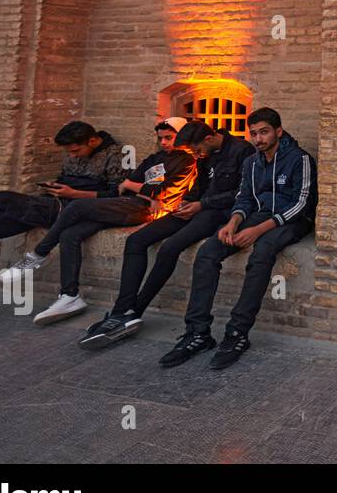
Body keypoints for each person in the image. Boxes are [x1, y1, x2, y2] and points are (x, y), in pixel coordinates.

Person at [0, 121, 125, 335]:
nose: (73, 156)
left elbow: (117, 196)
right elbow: (66, 179)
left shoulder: (115, 155)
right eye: (69, 152)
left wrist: (73, 194)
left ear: (93, 140)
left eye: (76, 150)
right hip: (50, 204)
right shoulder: (75, 154)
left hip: (69, 209)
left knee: (2, 198)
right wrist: (55, 186)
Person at [160, 107, 316, 370]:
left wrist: (257, 230)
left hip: (290, 220)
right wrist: (233, 222)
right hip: (256, 215)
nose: (258, 138)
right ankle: (198, 333)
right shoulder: (251, 162)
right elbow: (244, 197)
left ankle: (237, 332)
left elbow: (302, 203)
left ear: (278, 131)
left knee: (262, 253)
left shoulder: (299, 159)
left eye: (264, 132)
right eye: (253, 133)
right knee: (209, 251)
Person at [79, 120, 254, 349]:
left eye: (197, 150)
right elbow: (198, 186)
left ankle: (134, 312)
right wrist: (188, 202)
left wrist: (201, 205)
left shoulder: (243, 151)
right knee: (136, 240)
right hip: (195, 208)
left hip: (218, 213)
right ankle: (122, 310)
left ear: (209, 139)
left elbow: (243, 192)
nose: (196, 155)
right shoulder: (203, 154)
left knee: (170, 248)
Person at [18, 117, 196, 326]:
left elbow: (164, 191)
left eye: (169, 137)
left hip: (139, 209)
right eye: (161, 138)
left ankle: (39, 253)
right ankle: (69, 296)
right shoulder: (154, 157)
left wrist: (144, 190)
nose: (164, 142)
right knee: (70, 235)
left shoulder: (186, 160)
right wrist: (146, 192)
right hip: (126, 203)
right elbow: (126, 184)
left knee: (76, 206)